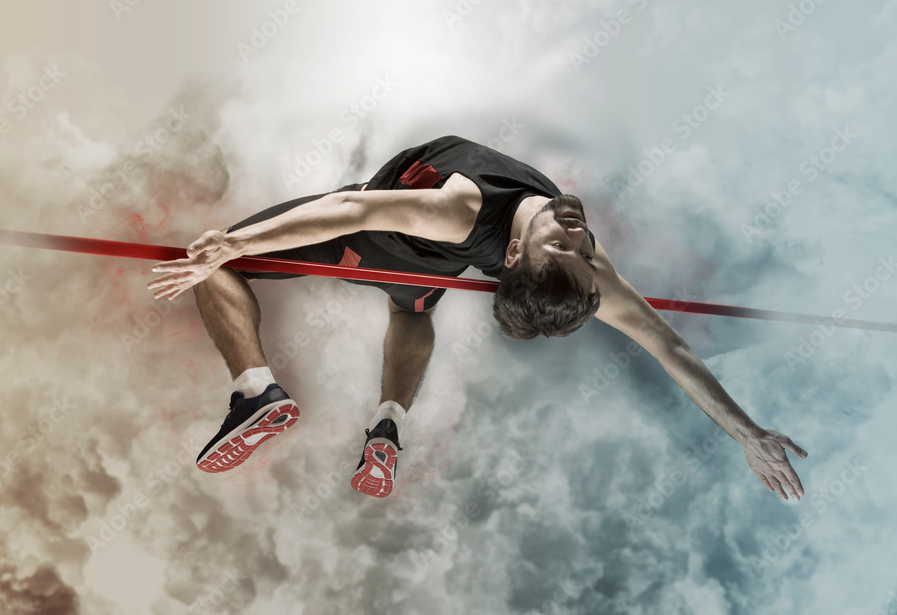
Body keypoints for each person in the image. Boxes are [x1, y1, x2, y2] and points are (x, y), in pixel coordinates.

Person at [147, 134, 808, 501]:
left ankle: (255, 386)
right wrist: (745, 430)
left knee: (216, 262)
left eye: (562, 242)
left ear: (515, 253)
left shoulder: (459, 209)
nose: (578, 234)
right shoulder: (581, 260)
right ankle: (389, 421)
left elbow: (353, 211)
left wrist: (233, 244)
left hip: (372, 242)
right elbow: (669, 345)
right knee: (411, 305)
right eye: (580, 249)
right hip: (428, 270)